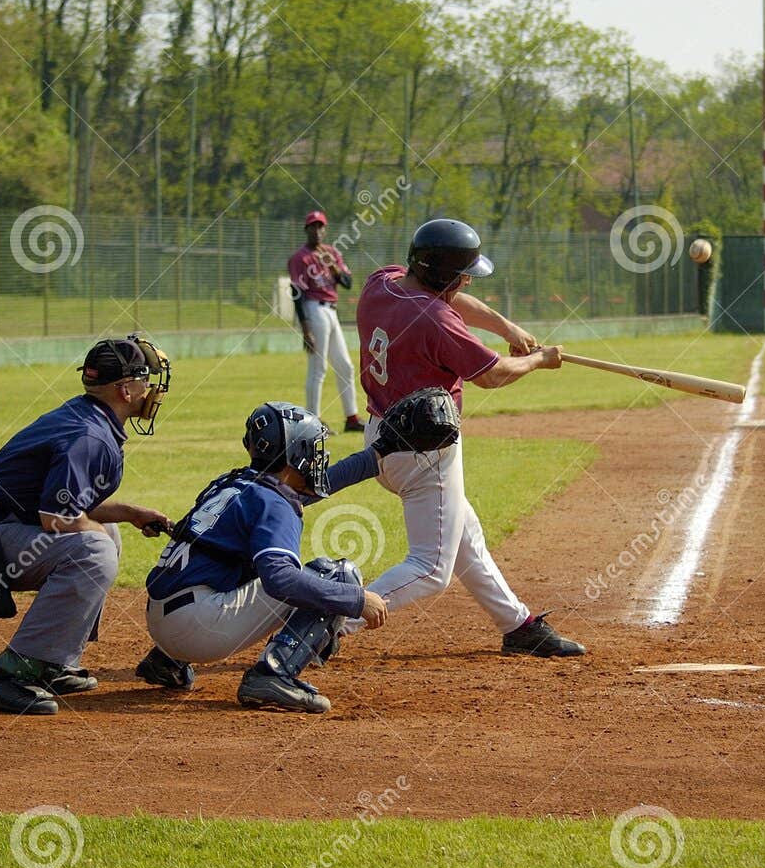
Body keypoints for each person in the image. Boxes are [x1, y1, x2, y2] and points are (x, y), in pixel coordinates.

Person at [352, 218, 586, 657]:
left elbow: (455, 301)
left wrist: (506, 328)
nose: (465, 281)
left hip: (380, 436)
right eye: (461, 274)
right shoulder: (437, 321)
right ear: (445, 276)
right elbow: (493, 375)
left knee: (465, 535)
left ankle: (519, 625)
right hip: (424, 453)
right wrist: (538, 360)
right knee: (429, 567)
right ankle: (329, 619)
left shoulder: (381, 283)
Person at [0, 335, 175, 716]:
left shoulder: (89, 417)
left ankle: (54, 662)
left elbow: (68, 502)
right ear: (124, 389)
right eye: (146, 380)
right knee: (95, 549)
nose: (152, 390)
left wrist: (130, 513)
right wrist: (96, 531)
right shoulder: (88, 435)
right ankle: (17, 672)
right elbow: (55, 518)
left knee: (108, 535)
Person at [133, 401, 392, 714]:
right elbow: (279, 580)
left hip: (162, 619)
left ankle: (167, 661)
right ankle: (274, 674)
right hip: (199, 628)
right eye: (312, 448)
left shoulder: (236, 483)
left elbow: (313, 488)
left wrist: (379, 453)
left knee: (251, 558)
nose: (318, 457)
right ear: (295, 455)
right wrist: (357, 599)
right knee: (337, 575)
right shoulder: (275, 502)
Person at [287, 210, 363, 432]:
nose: (317, 231)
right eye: (313, 226)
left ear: (325, 230)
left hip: (331, 310)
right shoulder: (300, 258)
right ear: (307, 230)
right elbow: (297, 294)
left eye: (321, 226)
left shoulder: (331, 253)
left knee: (345, 366)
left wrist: (334, 267)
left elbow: (347, 282)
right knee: (318, 368)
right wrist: (306, 329)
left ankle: (351, 418)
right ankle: (313, 421)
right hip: (314, 309)